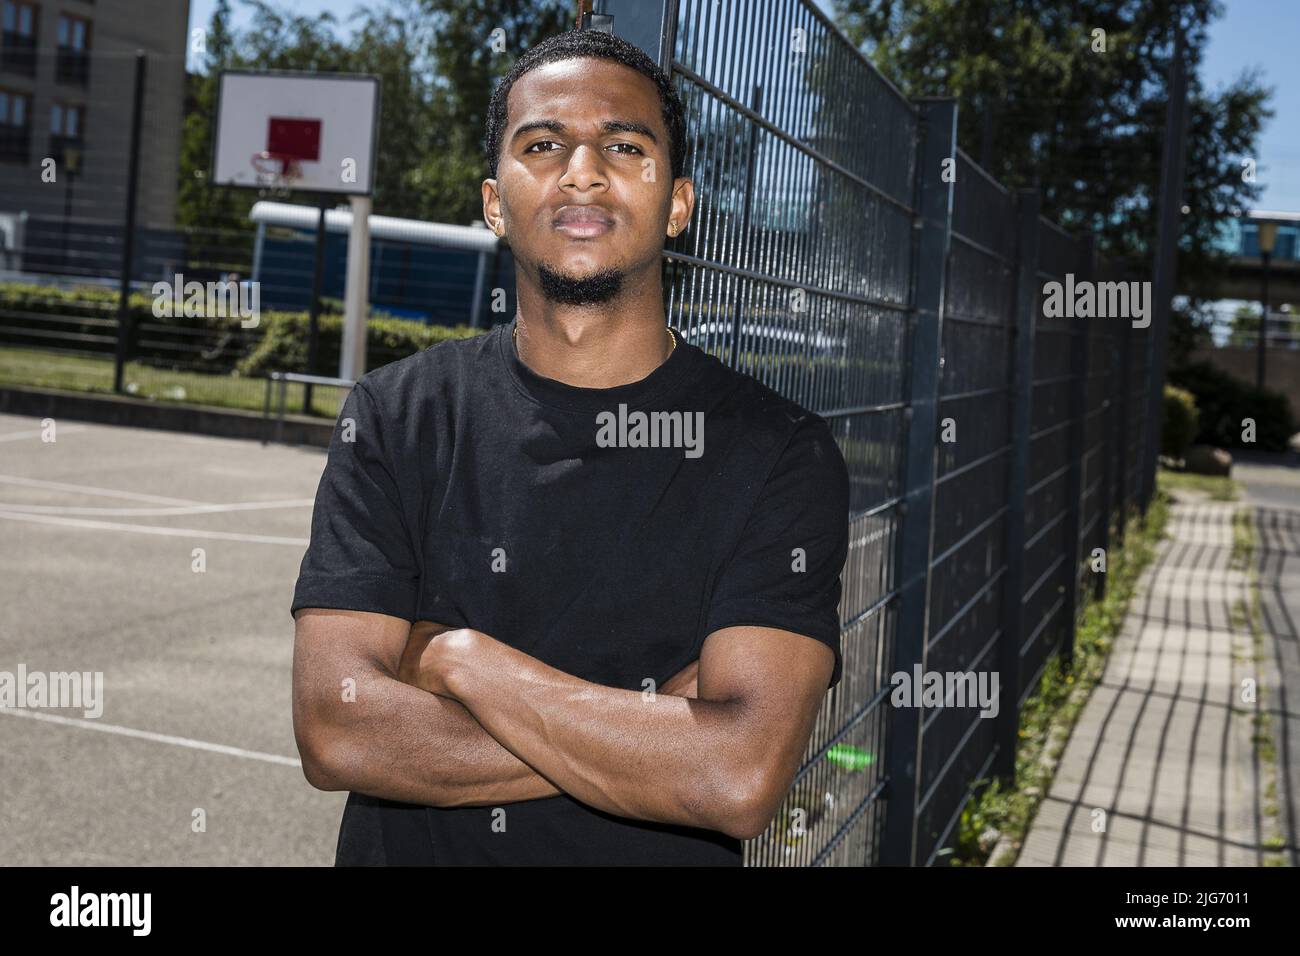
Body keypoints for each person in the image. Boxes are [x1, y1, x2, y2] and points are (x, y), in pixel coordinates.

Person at [290, 28, 850, 866]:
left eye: (624, 145)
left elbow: (736, 775)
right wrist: (654, 727)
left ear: (678, 202)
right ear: (493, 201)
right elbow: (338, 730)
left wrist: (462, 660)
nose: (581, 170)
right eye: (543, 144)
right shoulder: (395, 415)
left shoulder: (780, 454)